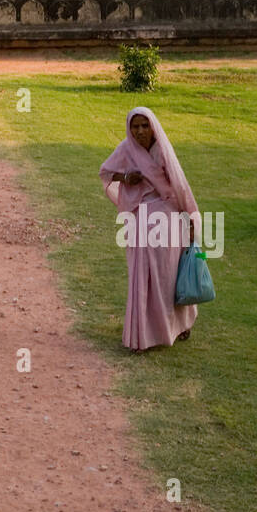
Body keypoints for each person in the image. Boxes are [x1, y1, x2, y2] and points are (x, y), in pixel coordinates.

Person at [99, 107, 199, 353]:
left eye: (145, 125)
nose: (140, 131)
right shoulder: (126, 148)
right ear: (129, 128)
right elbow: (106, 172)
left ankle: (179, 324)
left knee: (168, 275)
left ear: (153, 126)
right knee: (141, 274)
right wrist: (125, 179)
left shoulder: (162, 148)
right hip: (139, 217)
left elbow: (180, 184)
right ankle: (142, 335)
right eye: (136, 126)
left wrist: (191, 217)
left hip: (167, 216)